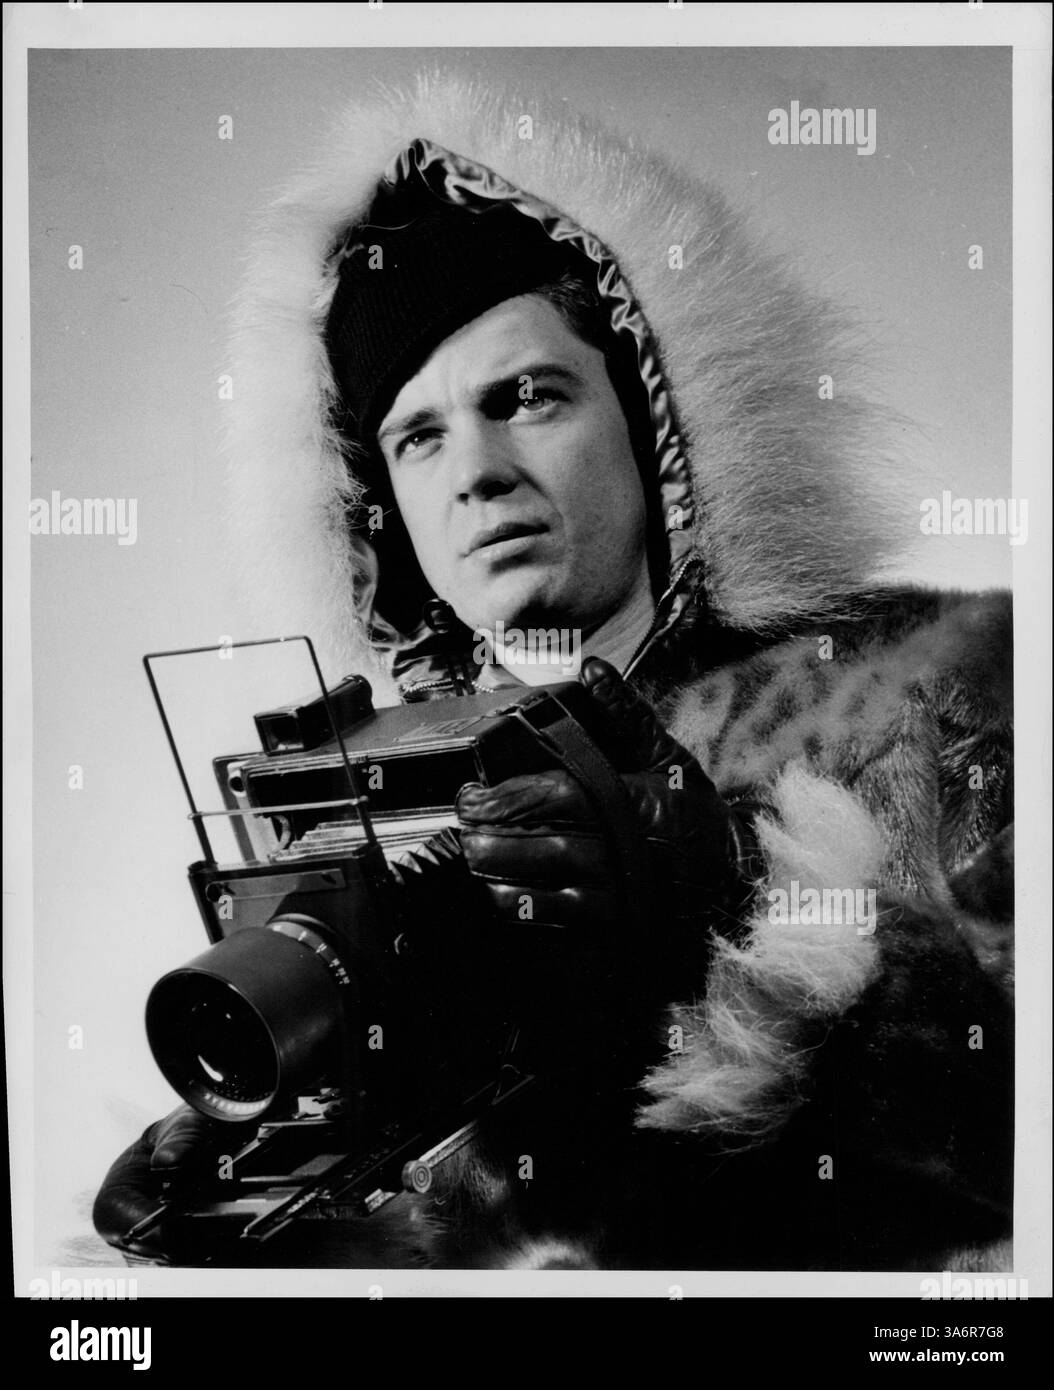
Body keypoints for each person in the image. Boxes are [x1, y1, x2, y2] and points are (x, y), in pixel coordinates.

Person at [94, 71, 1013, 1272]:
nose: (472, 469)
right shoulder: (362, 801)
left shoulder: (940, 673)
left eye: (525, 396)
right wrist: (277, 1173)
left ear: (651, 418)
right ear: (383, 512)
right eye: (417, 435)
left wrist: (729, 906)